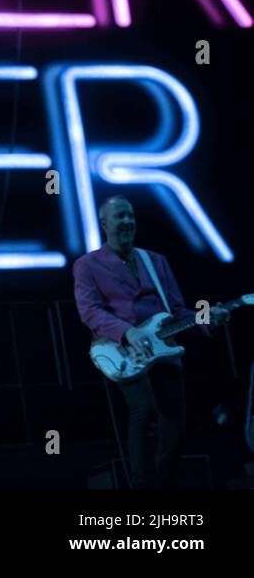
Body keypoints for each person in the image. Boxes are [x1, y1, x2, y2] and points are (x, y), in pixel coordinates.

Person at [73, 195, 228, 488]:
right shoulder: (87, 265)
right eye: (120, 216)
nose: (128, 221)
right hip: (124, 352)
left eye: (131, 215)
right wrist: (126, 332)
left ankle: (162, 485)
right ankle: (141, 485)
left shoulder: (156, 261)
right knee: (142, 411)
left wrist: (209, 318)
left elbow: (178, 312)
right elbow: (89, 311)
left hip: (165, 350)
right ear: (104, 222)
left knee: (176, 428)